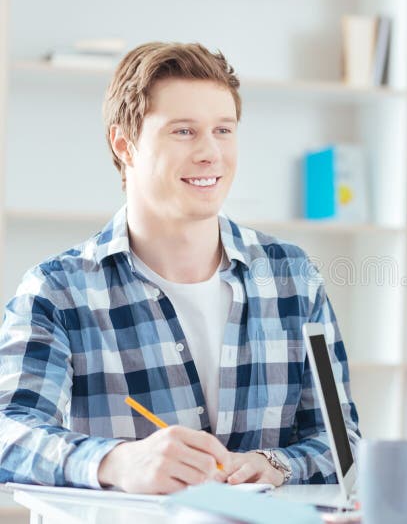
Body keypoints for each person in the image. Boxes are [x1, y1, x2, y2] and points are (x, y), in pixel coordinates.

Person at [0, 42, 360, 494]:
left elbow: (342, 441)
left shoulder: (293, 277)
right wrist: (115, 462)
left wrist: (274, 464)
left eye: (223, 130)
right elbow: (9, 434)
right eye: (184, 132)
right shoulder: (57, 290)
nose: (211, 153)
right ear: (124, 144)